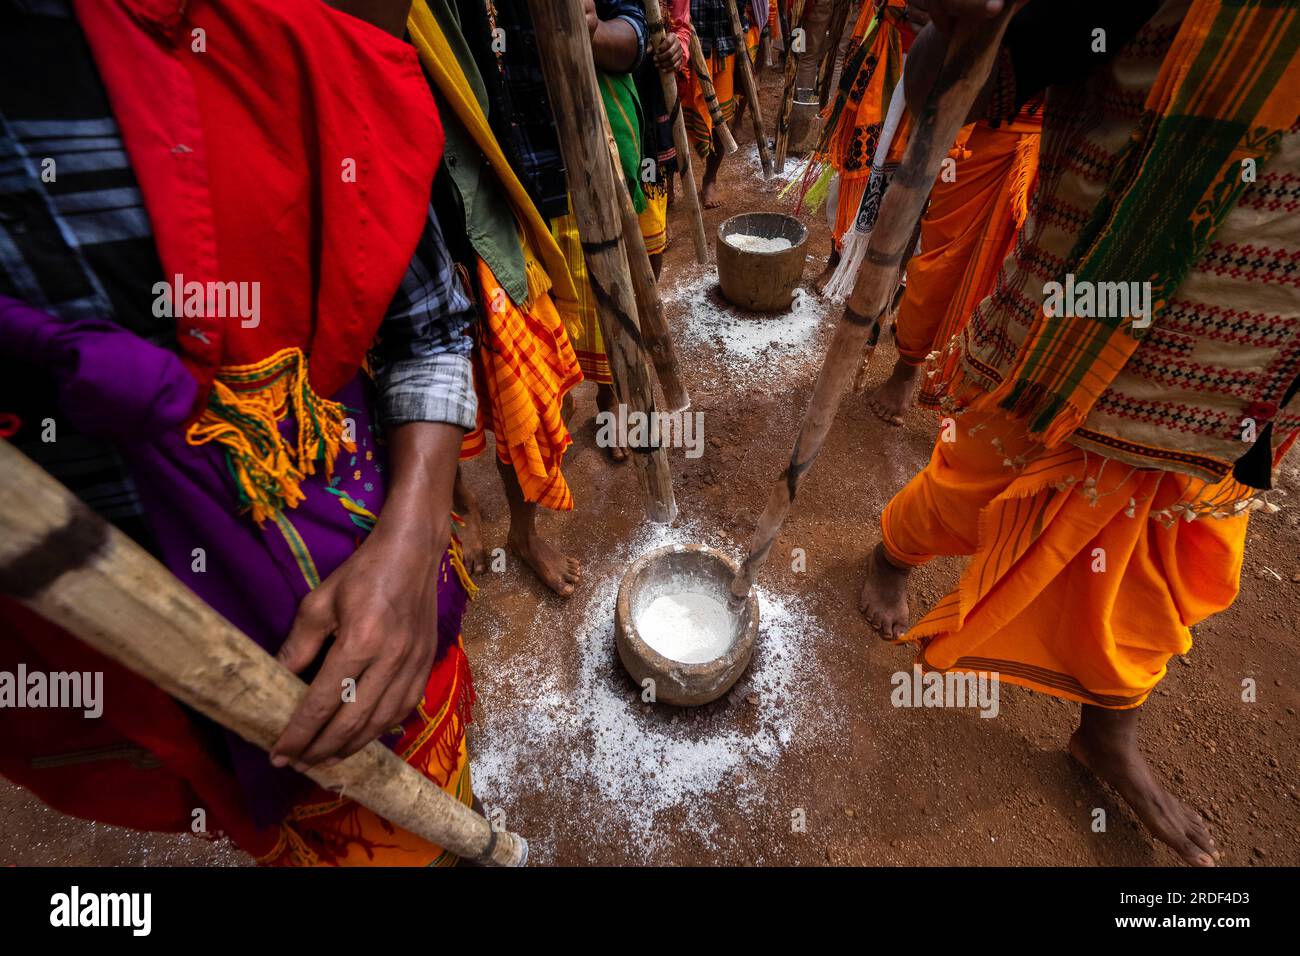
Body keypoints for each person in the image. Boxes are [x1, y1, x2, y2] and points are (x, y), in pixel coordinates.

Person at [0, 0, 482, 865]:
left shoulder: (288, 52)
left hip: (346, 599)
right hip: (110, 660)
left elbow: (429, 326)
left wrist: (413, 541)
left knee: (415, 832)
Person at [860, 0, 1300, 866]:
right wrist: (959, 28)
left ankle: (1108, 732)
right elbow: (944, 79)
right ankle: (890, 553)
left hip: (1237, 378)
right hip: (1079, 324)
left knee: (1168, 568)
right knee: (973, 483)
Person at [867, 95, 1042, 424]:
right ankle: (907, 369)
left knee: (1020, 278)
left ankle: (979, 392)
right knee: (942, 261)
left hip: (1060, 143)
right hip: (981, 131)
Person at [681, 0, 761, 207]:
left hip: (724, 42)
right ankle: (668, 185)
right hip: (683, 43)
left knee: (721, 120)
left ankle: (710, 179)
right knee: (673, 120)